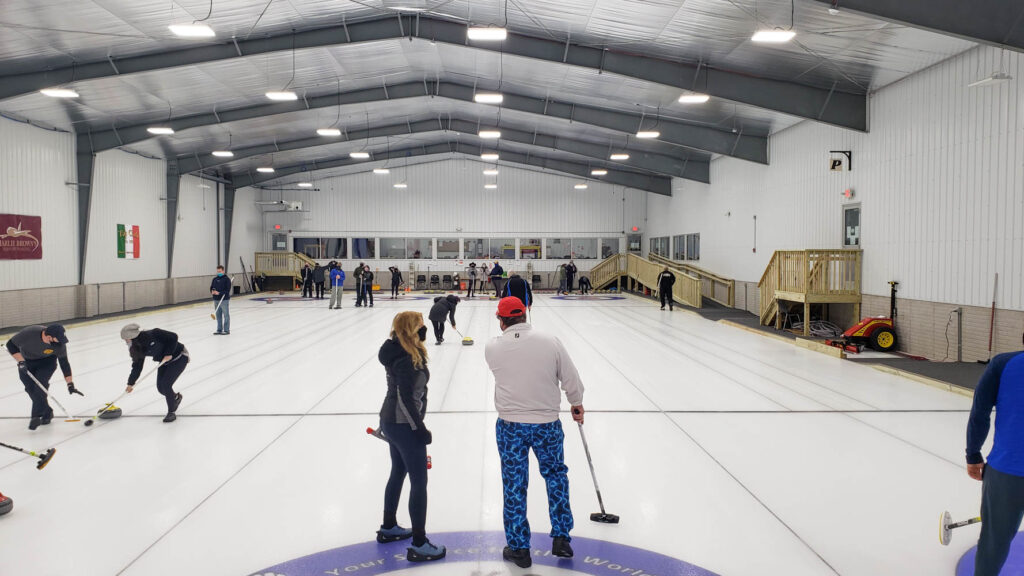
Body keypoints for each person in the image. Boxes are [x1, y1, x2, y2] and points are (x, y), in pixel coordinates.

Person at [484, 297, 584, 568]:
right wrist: (576, 402)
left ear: (501, 319)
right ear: (525, 314)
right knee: (555, 476)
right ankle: (562, 537)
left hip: (510, 426)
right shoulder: (550, 342)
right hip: (547, 424)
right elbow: (571, 379)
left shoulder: (493, 347)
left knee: (515, 483)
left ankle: (519, 548)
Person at [376, 311, 446, 561]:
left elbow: (396, 393)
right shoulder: (406, 358)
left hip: (392, 420)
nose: (424, 328)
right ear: (411, 329)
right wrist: (420, 430)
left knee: (398, 471)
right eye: (421, 326)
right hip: (403, 424)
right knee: (419, 482)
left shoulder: (400, 350)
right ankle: (419, 543)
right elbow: (405, 399)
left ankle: (389, 527)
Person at [965, 339, 1024, 576]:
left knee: (993, 543)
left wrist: (973, 453)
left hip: (1007, 471)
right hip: (1007, 468)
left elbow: (980, 412)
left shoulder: (1003, 364)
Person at [6, 324, 80, 430]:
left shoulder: (59, 345)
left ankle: (36, 416)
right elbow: (11, 345)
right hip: (27, 362)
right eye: (57, 338)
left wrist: (70, 384)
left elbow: (64, 364)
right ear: (49, 336)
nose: (60, 341)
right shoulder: (30, 333)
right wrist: (21, 361)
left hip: (47, 363)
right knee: (30, 389)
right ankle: (47, 411)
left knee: (40, 386)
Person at [120, 323, 188, 423]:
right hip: (164, 361)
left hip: (179, 357)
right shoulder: (136, 348)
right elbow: (137, 366)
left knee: (166, 384)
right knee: (161, 388)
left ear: (132, 337)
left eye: (126, 339)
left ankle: (171, 412)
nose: (126, 342)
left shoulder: (154, 333)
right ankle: (175, 398)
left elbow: (174, 337)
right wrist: (131, 383)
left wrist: (168, 353)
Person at [210, 265, 232, 335]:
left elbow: (227, 290)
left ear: (223, 271)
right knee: (218, 315)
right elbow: (211, 287)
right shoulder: (214, 279)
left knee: (226, 315)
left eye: (220, 271)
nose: (218, 272)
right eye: (218, 271)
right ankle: (219, 329)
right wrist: (212, 291)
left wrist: (219, 293)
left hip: (224, 300)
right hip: (216, 299)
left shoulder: (227, 279)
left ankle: (226, 330)